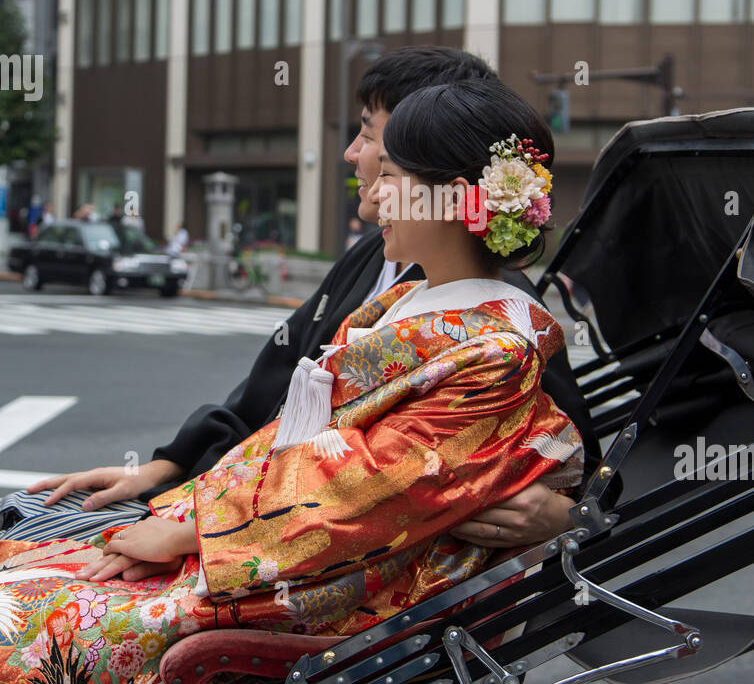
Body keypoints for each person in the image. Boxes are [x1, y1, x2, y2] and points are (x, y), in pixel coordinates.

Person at [0, 79, 582, 684]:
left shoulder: (494, 345)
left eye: (392, 176)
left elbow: (360, 491)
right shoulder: (415, 300)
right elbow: (288, 438)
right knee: (22, 563)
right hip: (269, 556)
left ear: (446, 199)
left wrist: (188, 533)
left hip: (308, 591)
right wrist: (177, 504)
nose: (369, 190)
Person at [2, 47, 594, 551]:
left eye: (370, 137)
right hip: (238, 508)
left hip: (277, 546)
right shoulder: (378, 266)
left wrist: (565, 515)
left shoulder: (499, 327)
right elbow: (274, 389)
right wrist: (168, 467)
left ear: (434, 162)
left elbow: (365, 486)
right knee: (24, 525)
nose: (354, 157)